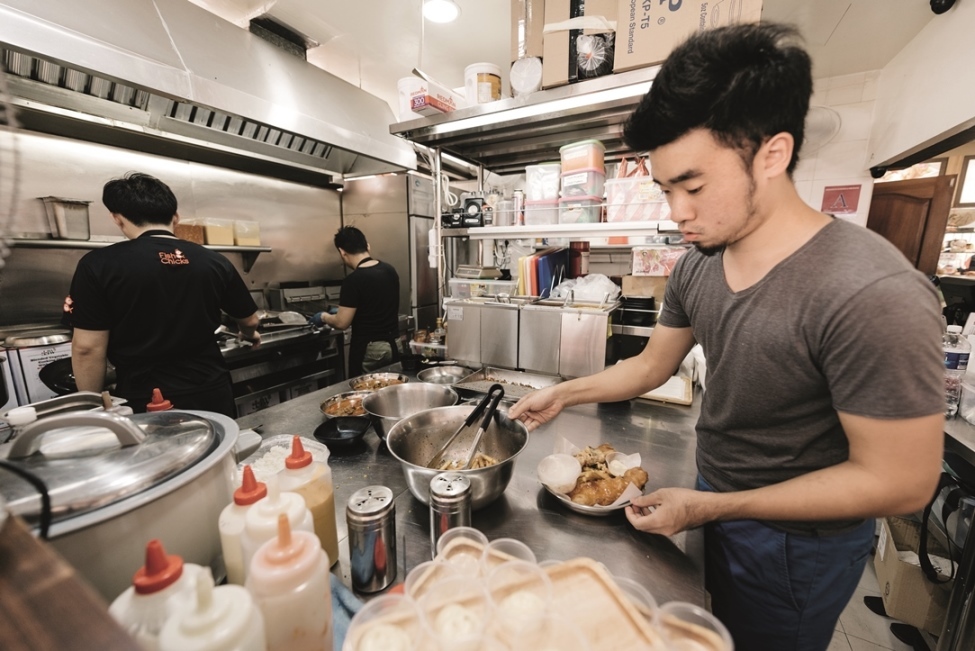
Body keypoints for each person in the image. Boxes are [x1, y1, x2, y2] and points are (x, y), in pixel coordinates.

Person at [508, 23, 944, 651]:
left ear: (771, 154)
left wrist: (713, 507)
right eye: (666, 190)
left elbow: (901, 481)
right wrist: (565, 393)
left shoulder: (869, 290)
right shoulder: (698, 264)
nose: (676, 212)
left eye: (693, 186)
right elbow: (652, 366)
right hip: (711, 496)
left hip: (796, 543)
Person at [62, 172, 260, 417]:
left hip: (143, 396)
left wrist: (93, 408)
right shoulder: (214, 261)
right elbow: (249, 320)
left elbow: (87, 348)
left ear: (117, 219)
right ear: (175, 217)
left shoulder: (97, 264)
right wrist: (249, 334)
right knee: (221, 441)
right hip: (210, 389)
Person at [312, 226, 401, 377]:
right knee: (390, 388)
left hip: (370, 350)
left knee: (365, 390)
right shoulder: (389, 270)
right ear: (368, 246)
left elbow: (342, 323)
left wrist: (323, 317)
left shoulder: (353, 280)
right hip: (394, 345)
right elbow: (374, 305)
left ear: (342, 252)